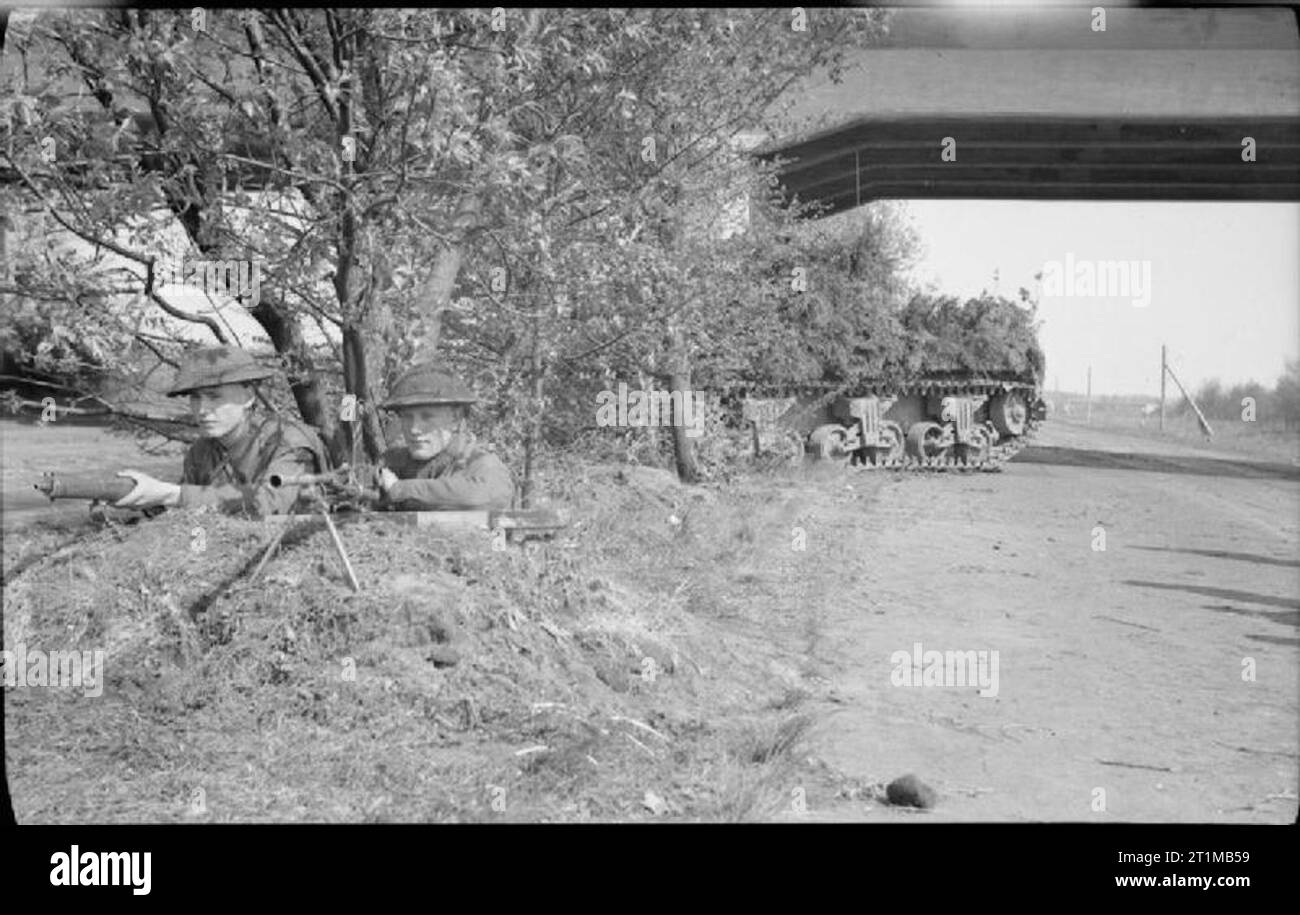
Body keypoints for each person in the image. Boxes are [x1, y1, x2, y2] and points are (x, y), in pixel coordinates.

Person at [114, 345, 330, 517]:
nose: (201, 410)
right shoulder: (202, 452)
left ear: (249, 397)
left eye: (214, 397)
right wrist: (140, 500)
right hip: (228, 555)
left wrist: (172, 495)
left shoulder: (287, 439)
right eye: (195, 398)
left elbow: (271, 502)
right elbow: (192, 514)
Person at [376, 364, 515, 511]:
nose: (414, 429)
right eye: (407, 417)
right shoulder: (392, 462)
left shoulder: (481, 464)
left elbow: (486, 496)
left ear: (455, 419)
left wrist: (399, 490)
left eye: (427, 417)